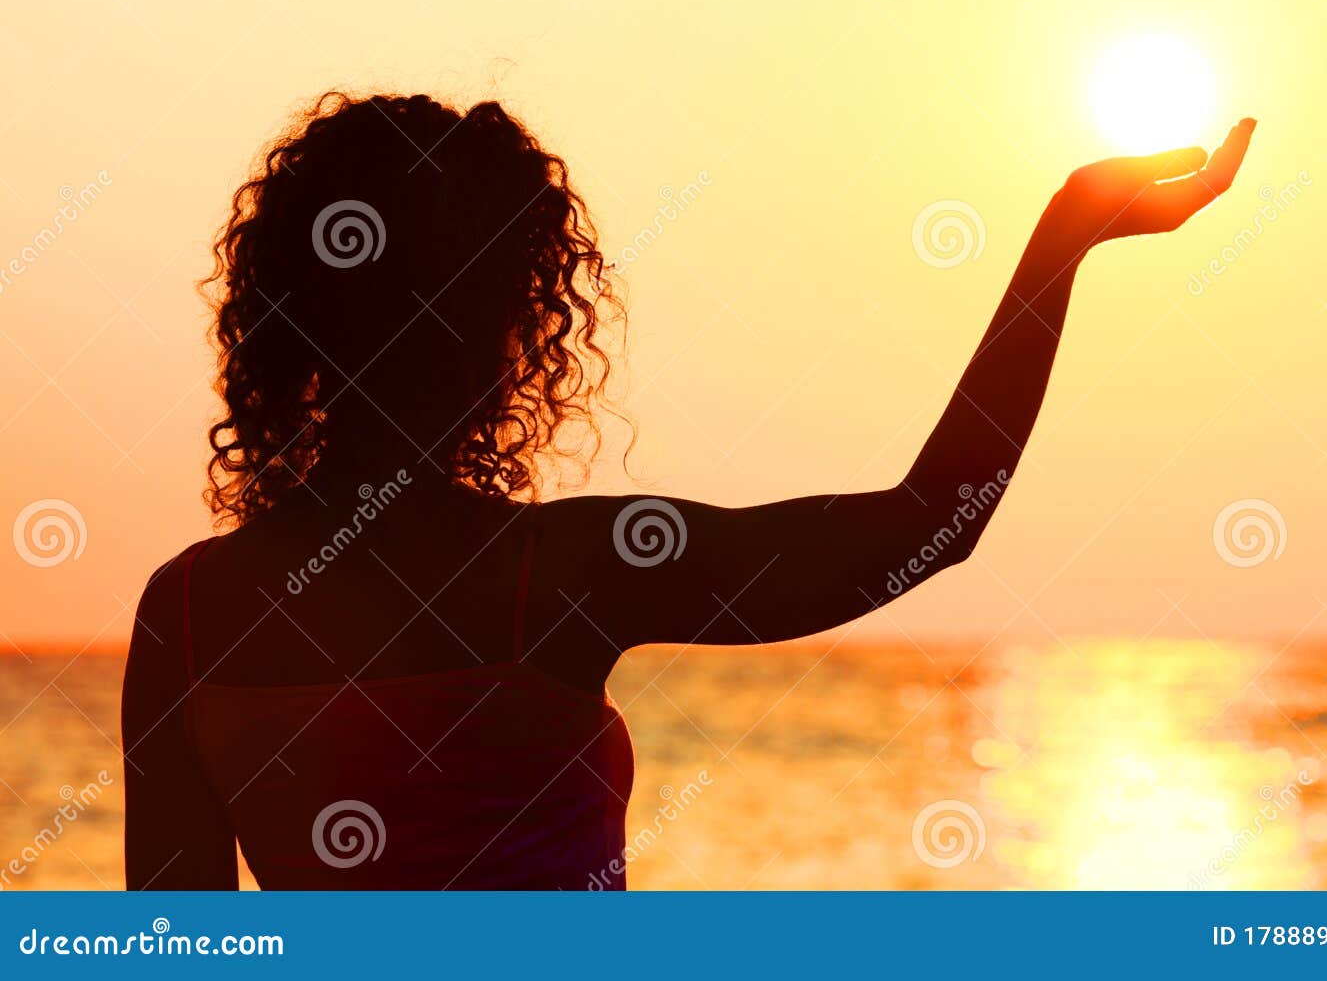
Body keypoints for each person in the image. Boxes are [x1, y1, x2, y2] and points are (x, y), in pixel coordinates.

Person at [121, 92, 1255, 888]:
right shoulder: (555, 576)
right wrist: (1062, 242)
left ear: (286, 318)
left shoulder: (184, 616)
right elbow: (931, 521)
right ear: (506, 329)